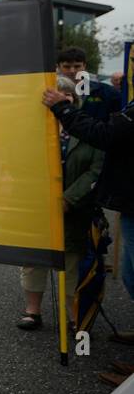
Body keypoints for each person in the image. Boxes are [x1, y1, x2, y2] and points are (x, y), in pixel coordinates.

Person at [44, 79, 134, 348]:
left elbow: (103, 136)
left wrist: (62, 108)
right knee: (130, 272)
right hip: (130, 205)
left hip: (91, 210)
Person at [19, 76, 103, 331]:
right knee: (34, 260)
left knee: (72, 263)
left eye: (64, 100)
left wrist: (69, 199)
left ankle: (75, 316)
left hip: (76, 210)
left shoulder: (89, 129)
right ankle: (32, 311)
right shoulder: (28, 131)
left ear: (73, 101)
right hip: (38, 207)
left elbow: (97, 169)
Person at [57, 47, 122, 120]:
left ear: (84, 66)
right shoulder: (51, 91)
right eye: (67, 67)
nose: (72, 70)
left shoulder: (108, 92)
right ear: (59, 67)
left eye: (77, 66)